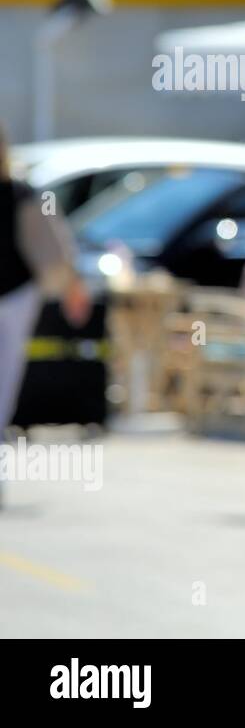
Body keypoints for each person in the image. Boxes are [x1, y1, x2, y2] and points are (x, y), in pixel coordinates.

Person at [1, 124, 91, 503]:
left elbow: (54, 247)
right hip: (15, 295)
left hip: (14, 296)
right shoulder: (21, 192)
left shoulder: (21, 193)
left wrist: (70, 284)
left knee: (3, 384)